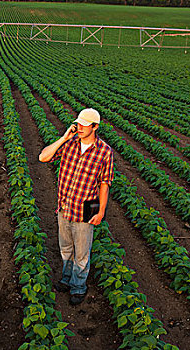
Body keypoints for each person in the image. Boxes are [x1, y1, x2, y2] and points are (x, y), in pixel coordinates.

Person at [39, 108, 114, 305]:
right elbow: (43, 157)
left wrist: (101, 211)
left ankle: (78, 287)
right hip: (64, 206)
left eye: (84, 125)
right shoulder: (69, 144)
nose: (79, 127)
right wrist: (64, 138)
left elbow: (104, 183)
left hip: (86, 208)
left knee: (82, 253)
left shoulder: (104, 152)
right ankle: (66, 278)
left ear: (95, 127)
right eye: (78, 123)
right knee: (66, 249)